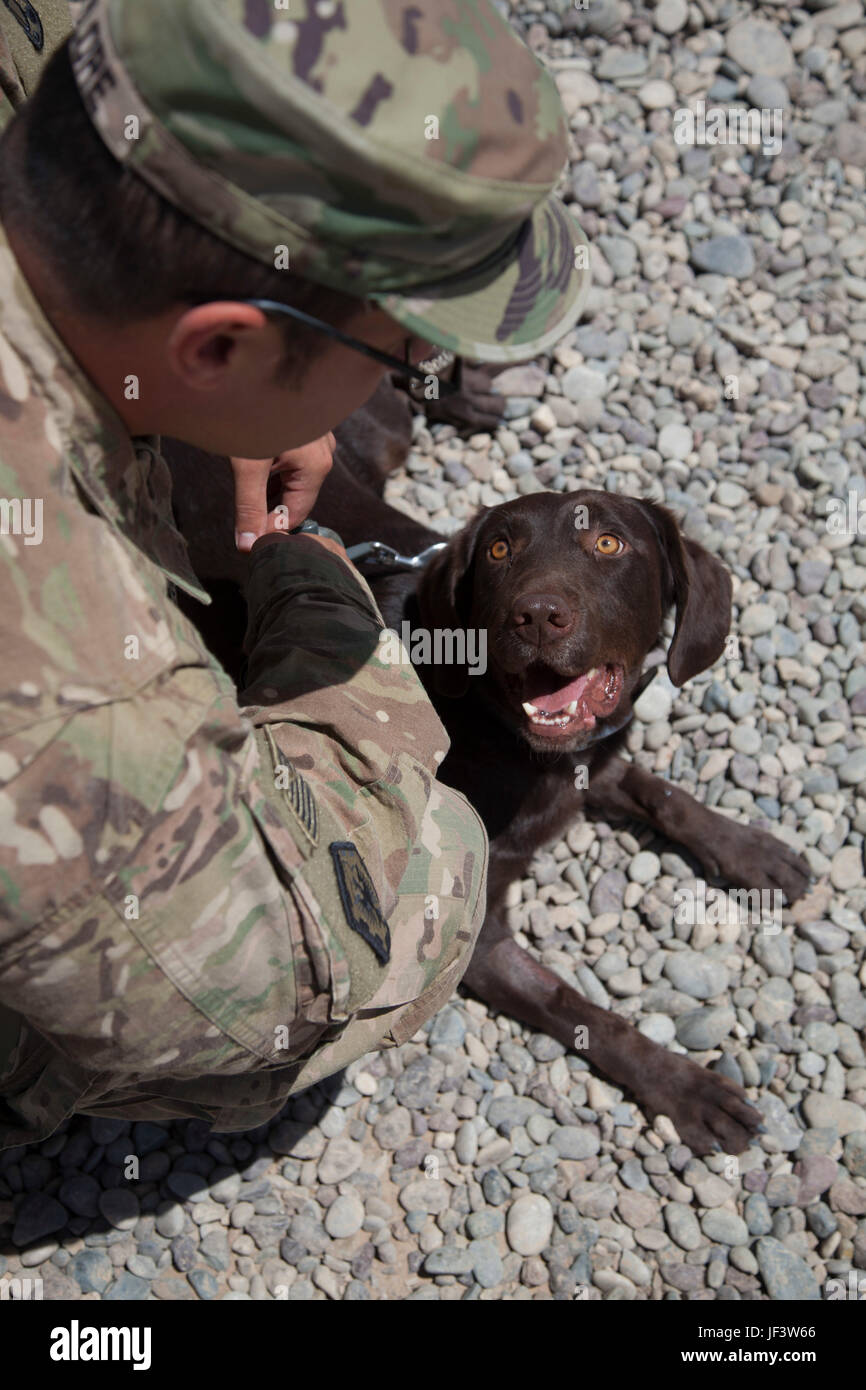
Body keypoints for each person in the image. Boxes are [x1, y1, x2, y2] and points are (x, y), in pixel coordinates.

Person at [0, 0, 590, 1149]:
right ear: (220, 344)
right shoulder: (62, 713)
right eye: (402, 358)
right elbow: (266, 985)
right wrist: (322, 604)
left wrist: (214, 409)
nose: (420, 371)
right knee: (420, 891)